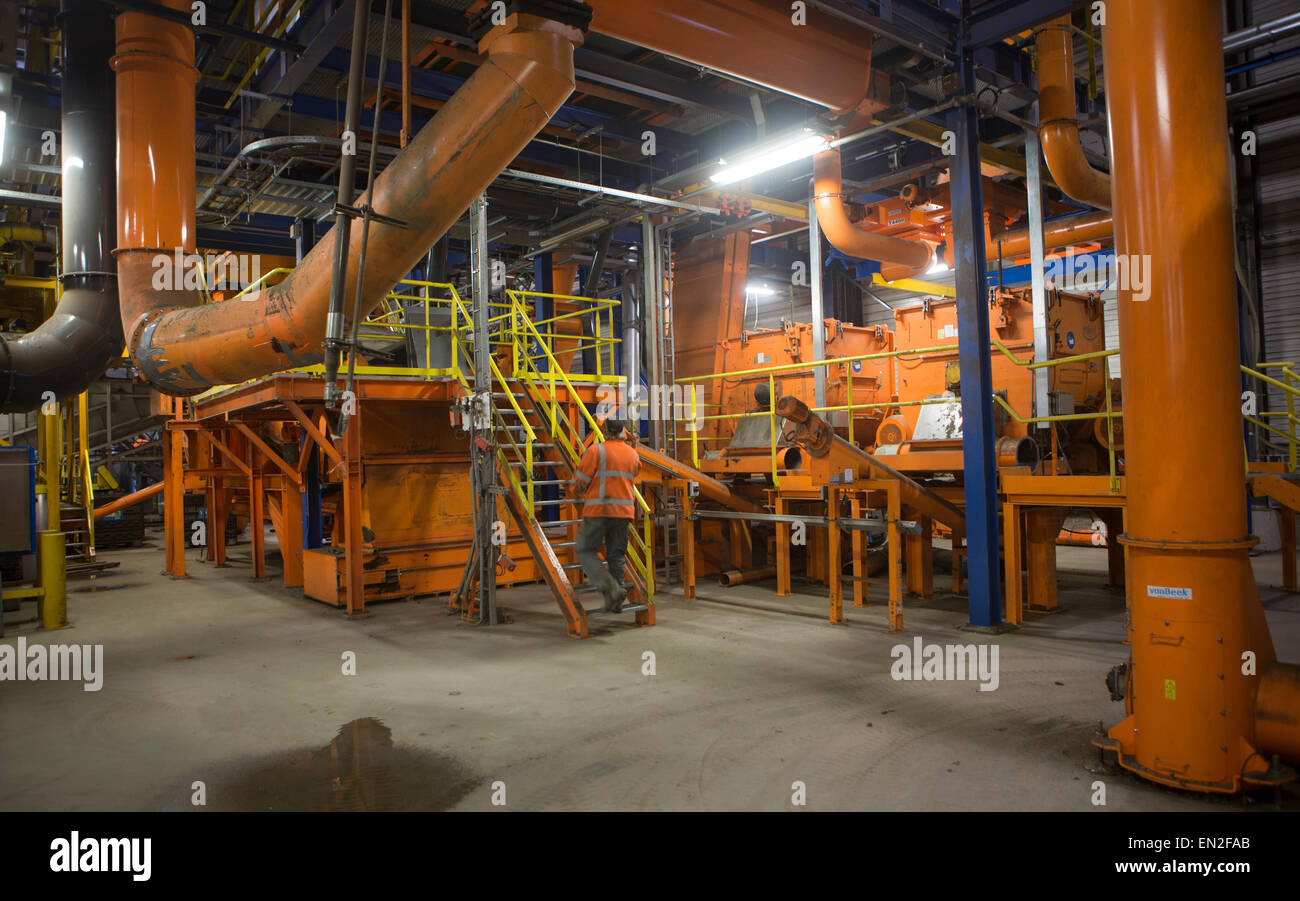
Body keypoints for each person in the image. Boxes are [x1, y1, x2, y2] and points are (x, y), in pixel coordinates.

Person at [571, 418, 641, 612]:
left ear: (606, 430)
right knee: (616, 556)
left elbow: (579, 482)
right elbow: (636, 471)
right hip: (624, 512)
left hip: (599, 511)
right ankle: (616, 597)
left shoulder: (597, 451)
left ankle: (610, 589)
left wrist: (574, 492)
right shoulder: (633, 455)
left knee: (585, 550)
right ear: (623, 432)